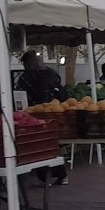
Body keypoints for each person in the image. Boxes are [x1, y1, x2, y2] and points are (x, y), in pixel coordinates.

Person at [19, 50, 69, 186]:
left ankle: (46, 178)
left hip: (38, 114)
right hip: (50, 113)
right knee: (50, 146)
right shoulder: (50, 73)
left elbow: (23, 93)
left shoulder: (29, 76)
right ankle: (59, 176)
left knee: (40, 147)